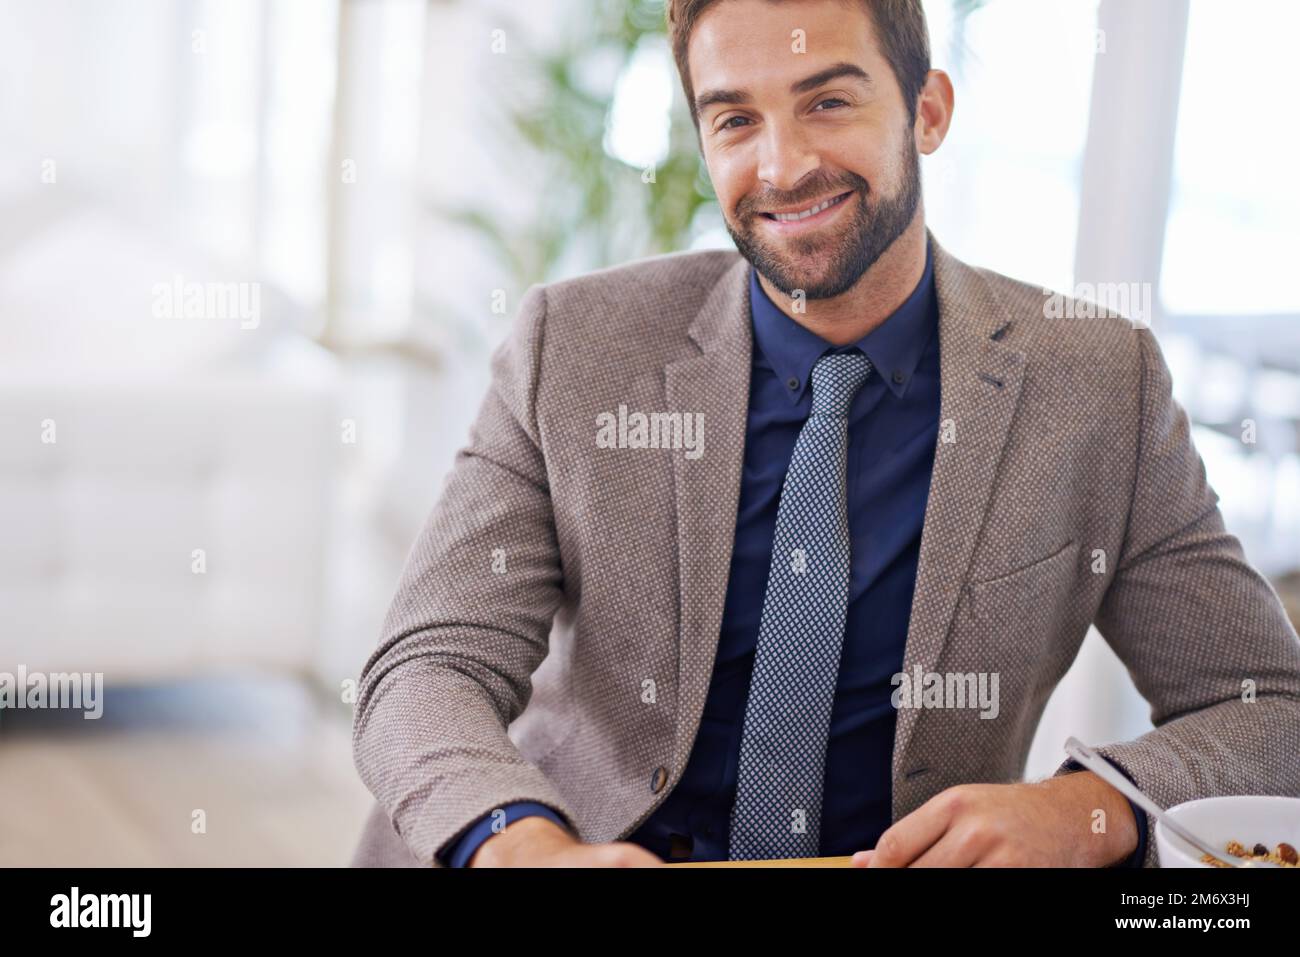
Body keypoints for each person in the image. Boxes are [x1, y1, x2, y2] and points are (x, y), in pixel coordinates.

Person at [349, 0, 1300, 868]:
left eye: (828, 102)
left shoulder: (1096, 385)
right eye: (735, 120)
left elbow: (1272, 712)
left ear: (927, 111)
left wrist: (1092, 809)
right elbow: (428, 663)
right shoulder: (576, 345)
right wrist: (525, 850)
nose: (782, 165)